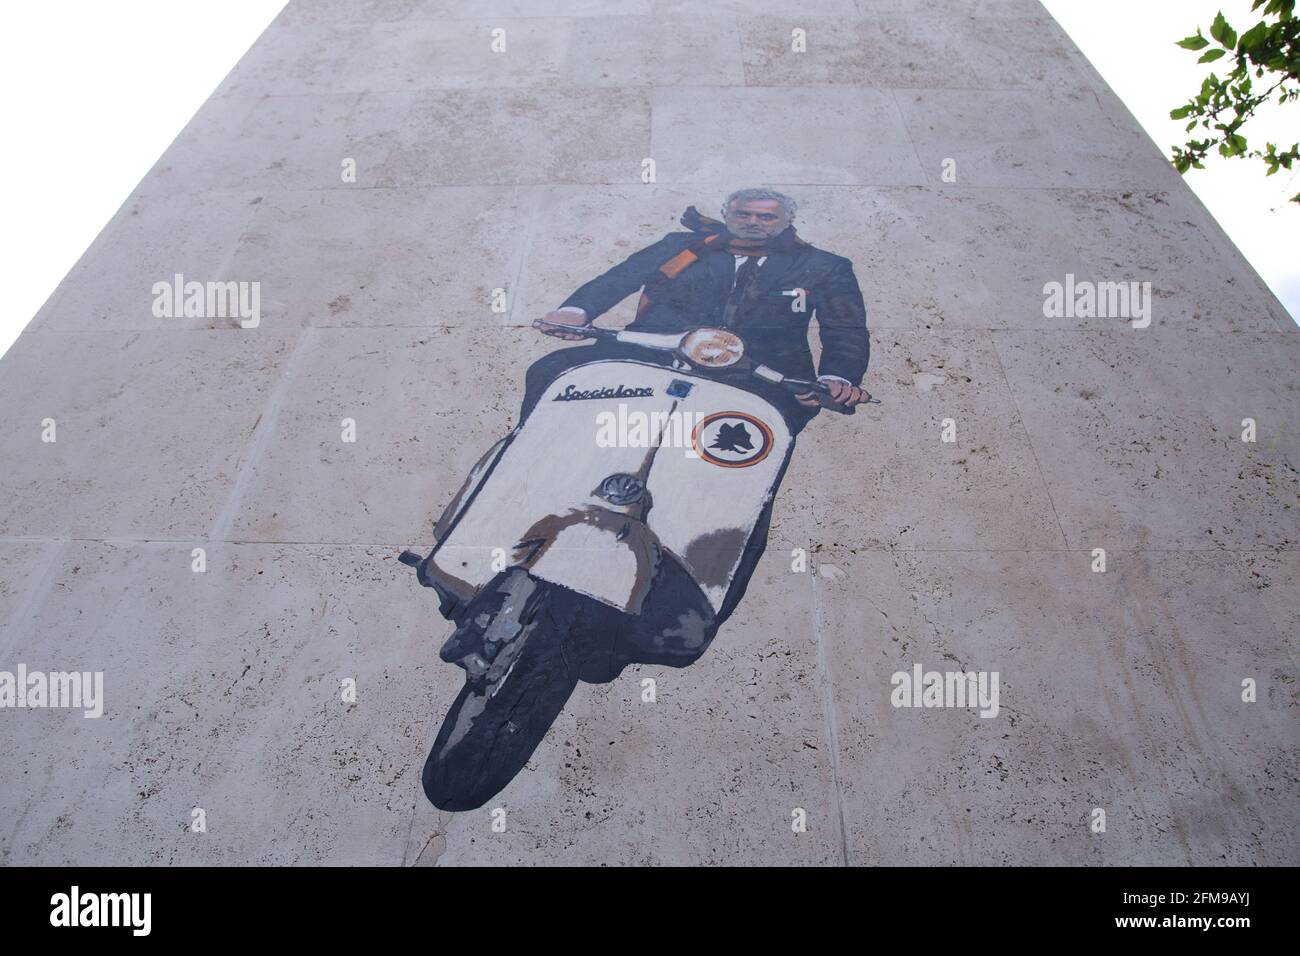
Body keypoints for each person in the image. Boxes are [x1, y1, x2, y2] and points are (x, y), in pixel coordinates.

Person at [524, 187, 871, 432]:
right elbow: (621, 278)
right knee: (553, 370)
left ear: (787, 220)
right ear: (726, 215)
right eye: (744, 214)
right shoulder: (681, 246)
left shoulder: (825, 265)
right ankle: (527, 463)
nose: (753, 222)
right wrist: (576, 311)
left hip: (764, 374)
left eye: (766, 217)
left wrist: (837, 378)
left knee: (752, 458)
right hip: (651, 354)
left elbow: (844, 328)